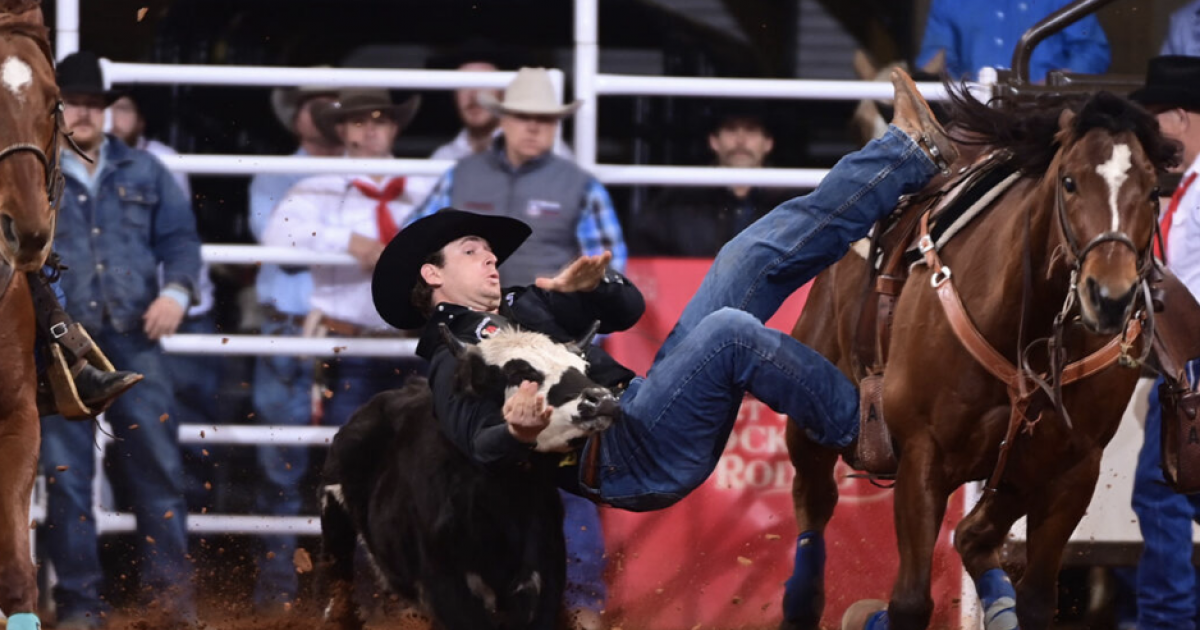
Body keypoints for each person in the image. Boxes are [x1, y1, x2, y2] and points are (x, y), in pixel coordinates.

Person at [371, 66, 951, 527]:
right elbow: (480, 442)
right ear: (432, 275)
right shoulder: (450, 362)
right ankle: (863, 431)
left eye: (487, 250)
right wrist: (519, 430)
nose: (491, 257)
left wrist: (597, 285)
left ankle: (905, 155)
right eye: (472, 251)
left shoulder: (526, 303)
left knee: (740, 258)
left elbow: (628, 311)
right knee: (728, 332)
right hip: (623, 460)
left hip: (643, 412)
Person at [39, 51, 201, 629]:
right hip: (61, 346)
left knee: (156, 472)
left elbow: (181, 242)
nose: (84, 112)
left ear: (107, 111)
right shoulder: (34, 171)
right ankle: (84, 604)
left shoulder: (145, 171)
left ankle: (170, 603)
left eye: (93, 104)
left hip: (132, 334)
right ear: (59, 110)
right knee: (67, 483)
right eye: (75, 103)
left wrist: (176, 293)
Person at [261, 87, 426, 606]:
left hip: (408, 348)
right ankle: (340, 586)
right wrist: (345, 242)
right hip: (348, 345)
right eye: (358, 121)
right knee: (346, 472)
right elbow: (277, 237)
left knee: (415, 469)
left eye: (380, 120)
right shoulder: (318, 185)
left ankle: (405, 590)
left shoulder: (422, 185)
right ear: (343, 131)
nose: (370, 129)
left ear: (394, 129)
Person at [245, 80, 341, 612]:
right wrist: (350, 241)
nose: (326, 113)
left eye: (334, 104)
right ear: (299, 116)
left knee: (354, 469)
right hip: (290, 327)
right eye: (315, 104)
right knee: (279, 465)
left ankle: (343, 591)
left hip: (348, 333)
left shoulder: (365, 175)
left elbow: (294, 240)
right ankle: (277, 591)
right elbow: (278, 242)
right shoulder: (274, 174)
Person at [415, 67, 626, 288]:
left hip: (549, 315)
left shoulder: (581, 186)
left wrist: (575, 300)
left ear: (555, 126)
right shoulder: (461, 175)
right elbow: (417, 239)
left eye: (544, 119)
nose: (533, 127)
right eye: (522, 116)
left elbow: (607, 268)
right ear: (503, 121)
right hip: (467, 315)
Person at [1128, 55, 1200, 630]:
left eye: (1155, 121)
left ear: (1183, 115)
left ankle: (1168, 622)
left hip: (1193, 366)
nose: (1151, 134)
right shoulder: (1192, 186)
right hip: (1186, 363)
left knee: (1160, 492)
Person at [631, 104, 800, 257]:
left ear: (768, 143)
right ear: (714, 141)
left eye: (751, 129)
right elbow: (645, 257)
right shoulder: (678, 200)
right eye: (731, 129)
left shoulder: (792, 204)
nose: (741, 140)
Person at [916, 0, 1110, 82]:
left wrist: (1050, 88)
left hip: (1045, 116)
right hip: (974, 117)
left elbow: (1092, 52)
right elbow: (936, 57)